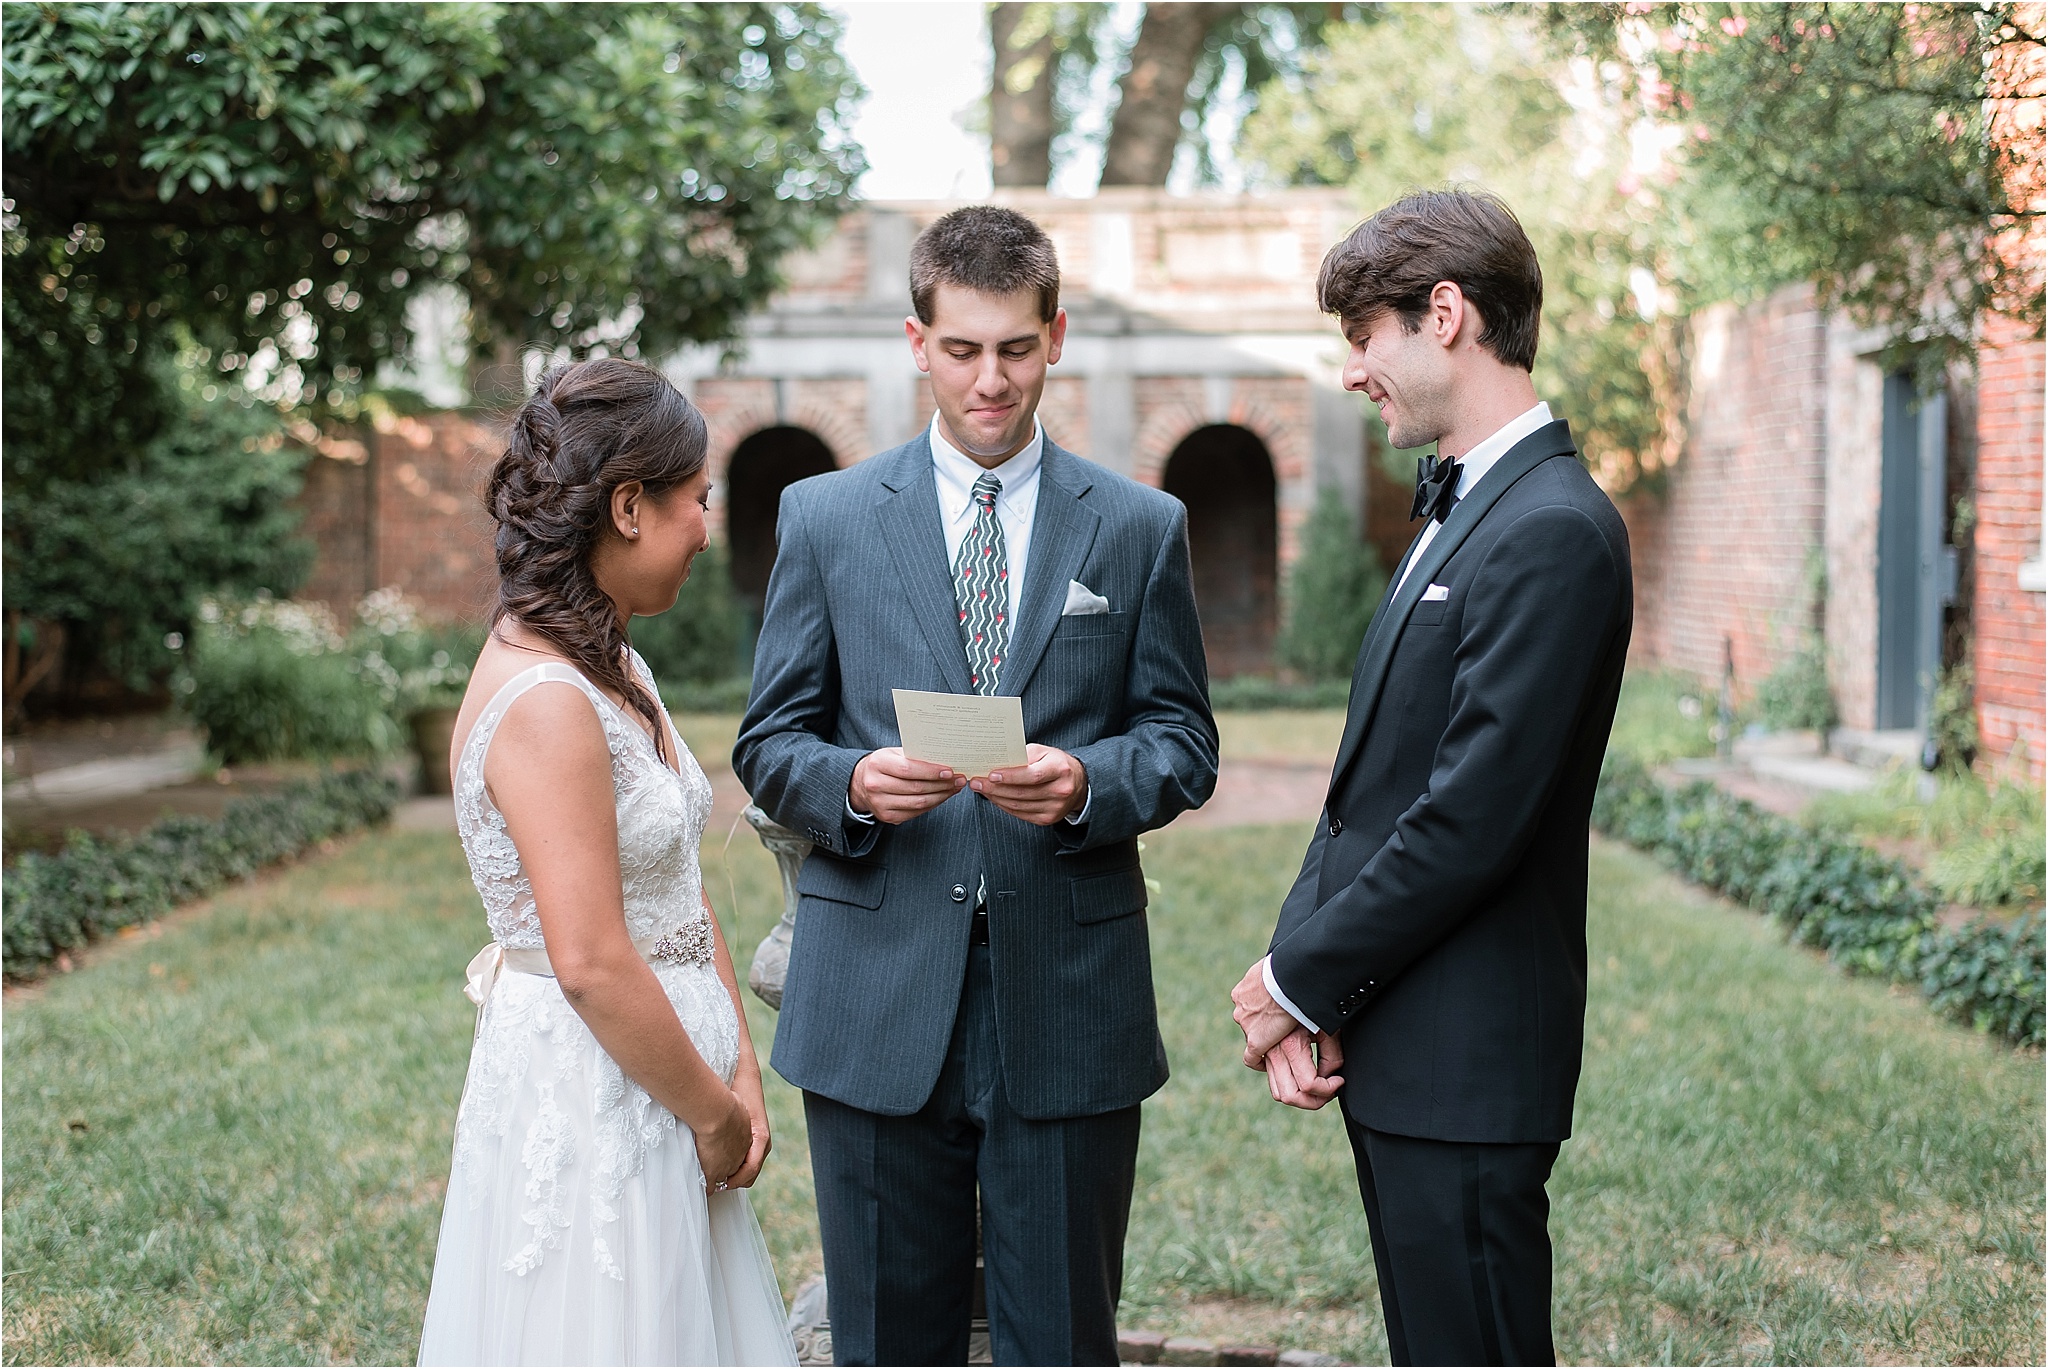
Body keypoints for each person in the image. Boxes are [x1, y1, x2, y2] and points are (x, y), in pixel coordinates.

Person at [734, 205, 1218, 1366]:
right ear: (916, 342)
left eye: (1014, 347)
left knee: (1059, 1336)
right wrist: (851, 783)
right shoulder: (827, 518)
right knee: (888, 1341)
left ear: (1055, 336)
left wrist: (1087, 781)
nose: (988, 380)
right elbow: (768, 743)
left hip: (1067, 992)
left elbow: (1181, 740)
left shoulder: (1141, 527)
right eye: (961, 350)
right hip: (872, 992)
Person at [1230, 190, 1634, 1366]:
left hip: (1468, 1060)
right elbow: (1370, 782)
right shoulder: (1463, 508)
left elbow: (1468, 818)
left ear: (1443, 313)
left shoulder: (1552, 526)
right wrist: (1301, 975)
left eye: (1363, 336)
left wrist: (1295, 982)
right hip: (1398, 1041)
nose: (1355, 371)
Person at [417, 358, 795, 1366]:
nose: (708, 528)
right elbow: (587, 956)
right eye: (697, 499)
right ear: (628, 506)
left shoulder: (614, 661)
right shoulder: (545, 700)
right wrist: (712, 1115)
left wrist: (739, 1071)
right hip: (599, 1099)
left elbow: (672, 881)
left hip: (674, 1086)